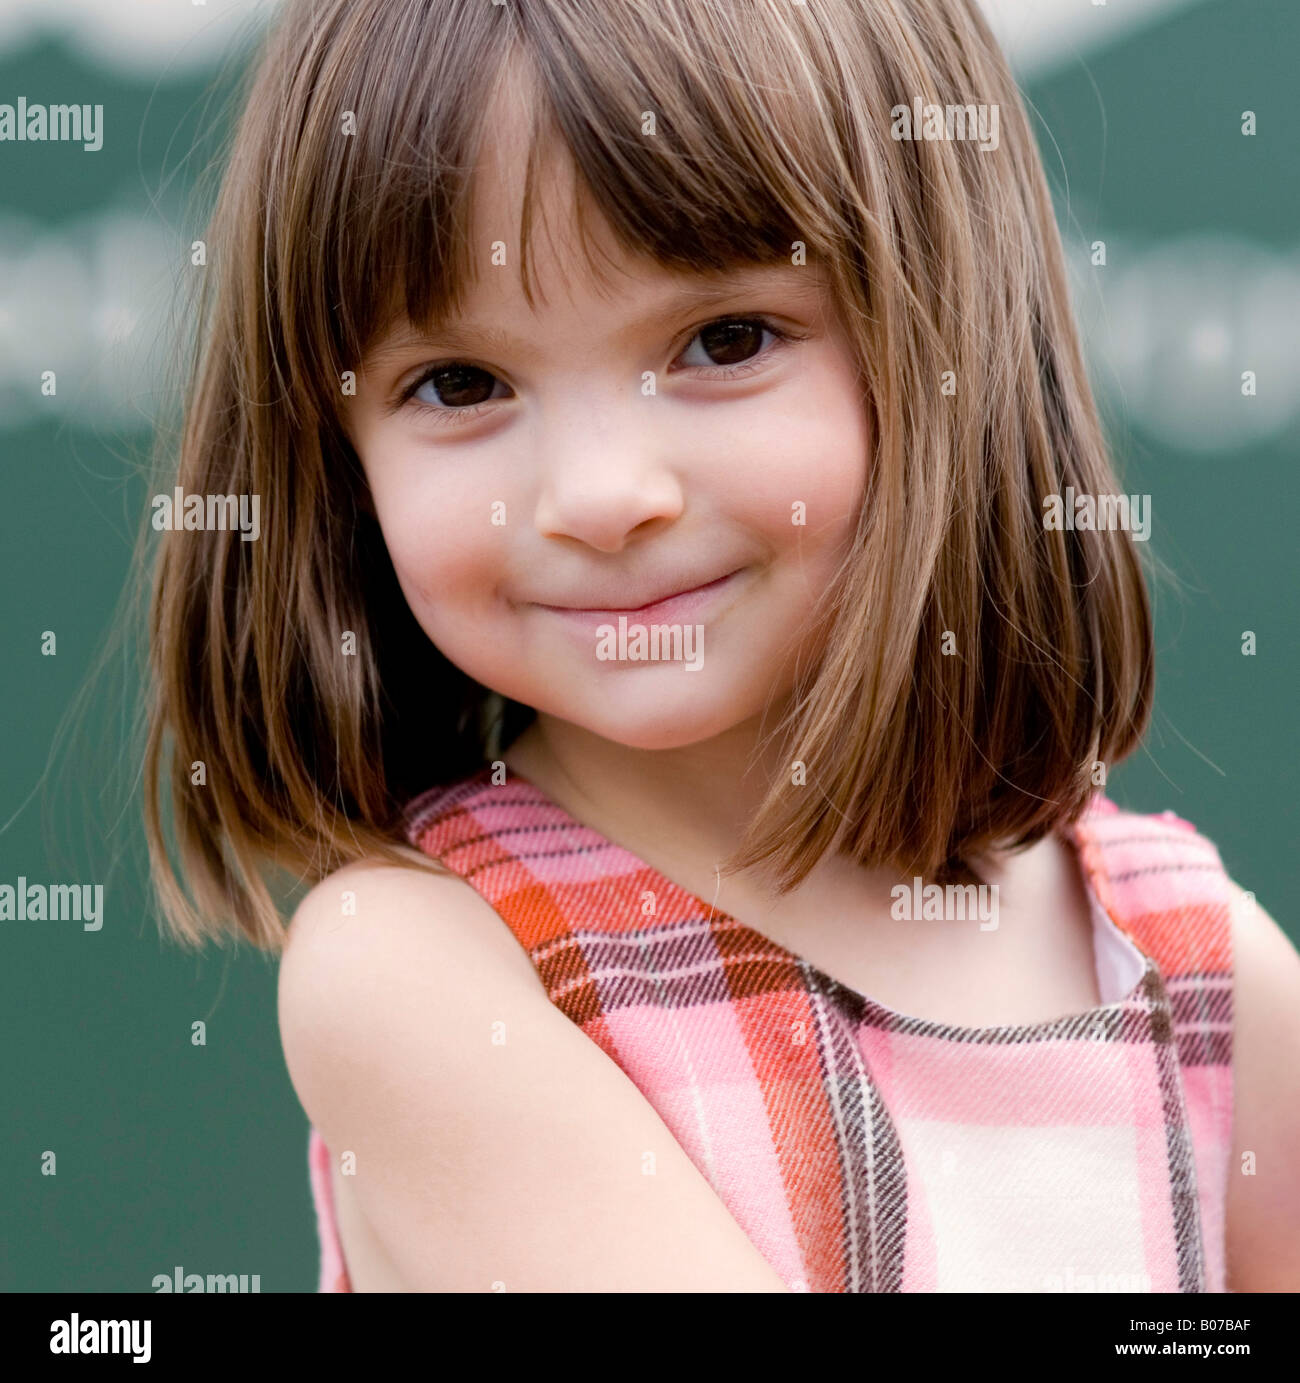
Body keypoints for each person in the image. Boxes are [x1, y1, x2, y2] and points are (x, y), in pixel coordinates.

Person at [144, 0, 1300, 1292]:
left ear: (936, 349)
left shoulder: (1199, 971)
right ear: (336, 460)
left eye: (725, 342)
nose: (599, 491)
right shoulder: (420, 969)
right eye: (461, 384)